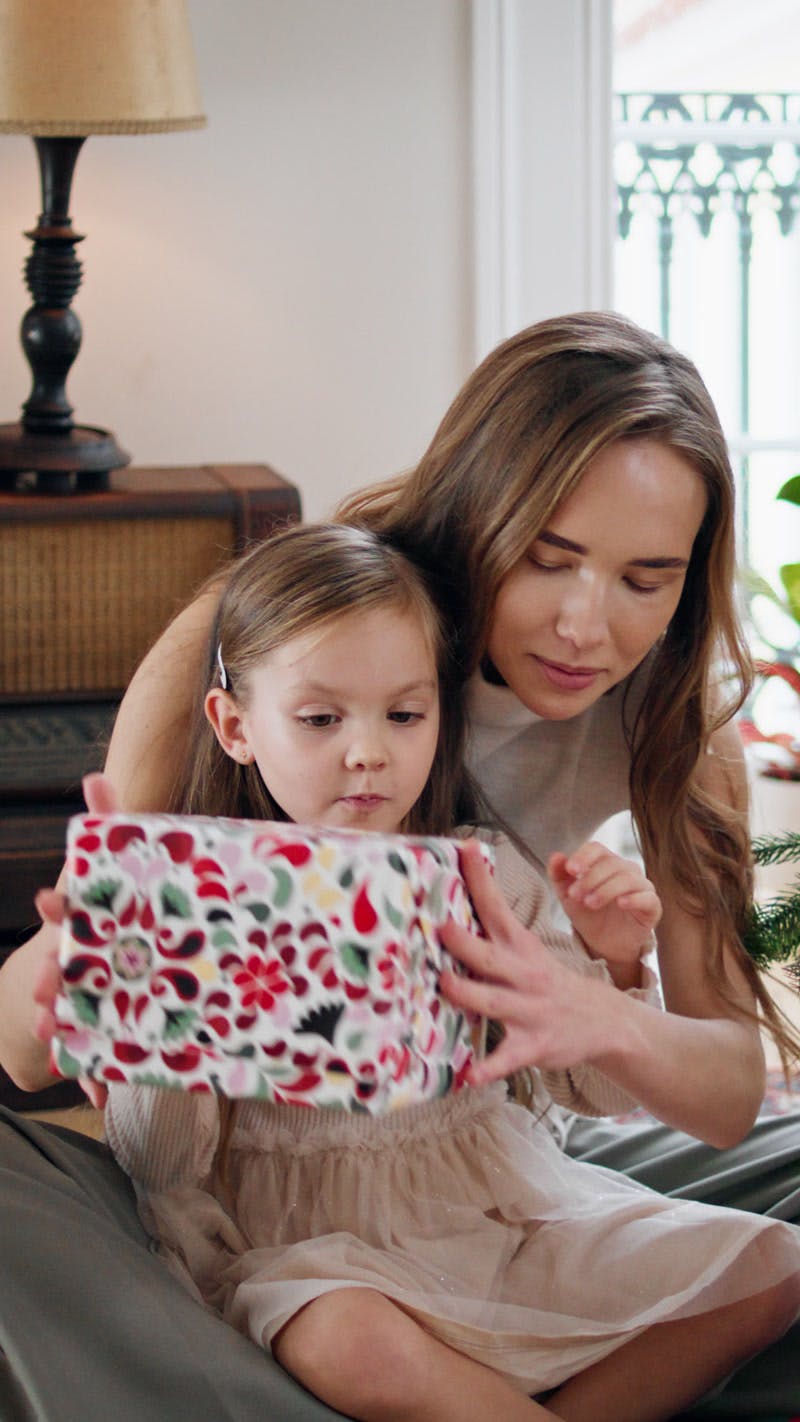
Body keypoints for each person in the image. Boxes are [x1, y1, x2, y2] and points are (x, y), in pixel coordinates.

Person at [0, 310, 798, 1417]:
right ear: (479, 513)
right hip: (285, 1190)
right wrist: (88, 951)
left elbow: (719, 1096)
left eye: (644, 579)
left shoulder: (669, 737)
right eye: (546, 558)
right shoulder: (272, 648)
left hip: (492, 1159)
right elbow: (43, 1046)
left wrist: (598, 1006)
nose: (584, 627)